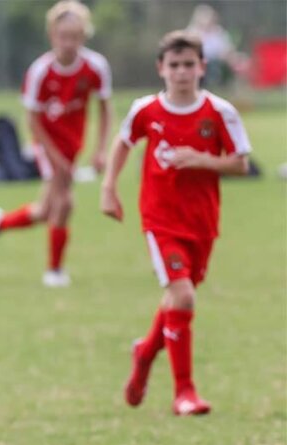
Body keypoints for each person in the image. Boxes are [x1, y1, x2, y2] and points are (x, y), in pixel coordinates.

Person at [100, 30, 251, 416]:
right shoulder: (146, 110)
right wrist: (109, 188)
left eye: (189, 65)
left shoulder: (220, 112)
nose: (181, 72)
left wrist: (202, 160)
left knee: (177, 299)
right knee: (183, 296)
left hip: (202, 221)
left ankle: (145, 351)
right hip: (160, 219)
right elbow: (123, 143)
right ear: (161, 69)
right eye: (174, 65)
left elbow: (241, 164)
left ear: (202, 67)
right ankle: (185, 392)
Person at [0, 1, 112, 288]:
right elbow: (32, 120)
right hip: (46, 144)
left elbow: (105, 109)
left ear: (84, 36)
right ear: (51, 35)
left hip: (72, 145)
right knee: (65, 202)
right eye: (63, 36)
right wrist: (56, 159)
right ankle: (54, 271)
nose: (68, 43)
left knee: (44, 211)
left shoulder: (96, 66)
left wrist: (100, 150)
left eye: (75, 36)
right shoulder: (40, 71)